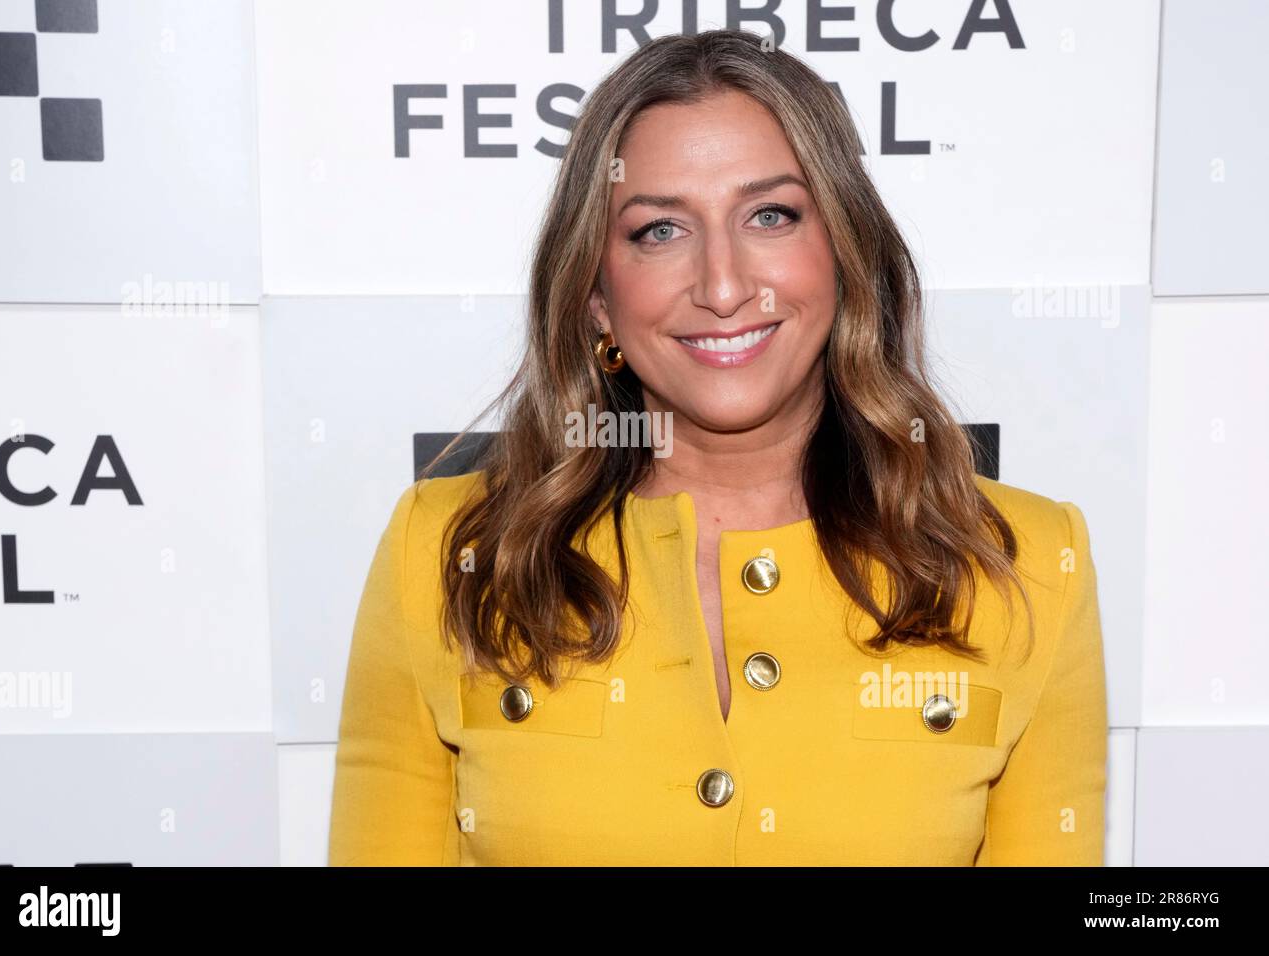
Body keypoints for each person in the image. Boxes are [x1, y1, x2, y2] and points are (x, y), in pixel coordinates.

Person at [328, 29, 1108, 866]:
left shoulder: (1026, 566)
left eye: (770, 215)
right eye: (660, 230)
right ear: (596, 294)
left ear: (845, 253)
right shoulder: (448, 552)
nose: (726, 286)